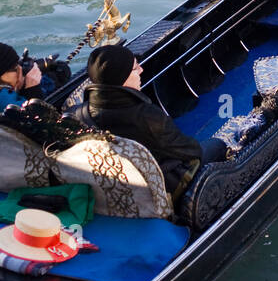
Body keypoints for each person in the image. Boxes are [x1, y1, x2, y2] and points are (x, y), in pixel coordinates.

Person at [73, 44, 227, 196]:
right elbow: (190, 151)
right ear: (122, 78)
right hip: (163, 184)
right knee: (217, 145)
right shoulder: (147, 116)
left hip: (122, 184)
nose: (141, 70)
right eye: (135, 68)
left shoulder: (80, 114)